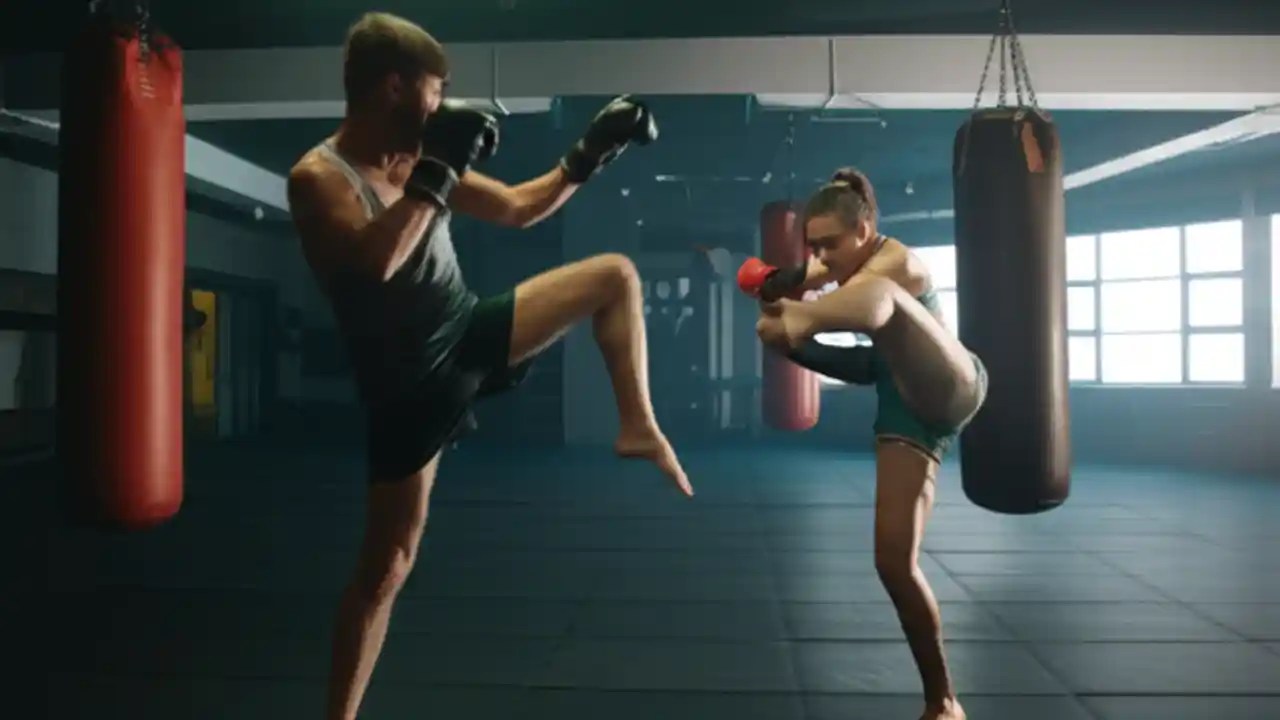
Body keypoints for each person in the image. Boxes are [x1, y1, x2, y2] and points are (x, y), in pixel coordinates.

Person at [285, 12, 694, 720]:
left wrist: (591, 151)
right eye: (434, 94)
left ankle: (637, 424)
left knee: (615, 275)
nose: (441, 108)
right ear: (394, 87)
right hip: (407, 383)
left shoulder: (415, 159)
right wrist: (437, 172)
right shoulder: (318, 178)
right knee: (387, 569)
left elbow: (516, 208)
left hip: (467, 326)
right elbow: (374, 266)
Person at [739, 168, 986, 720]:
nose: (824, 255)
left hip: (951, 384)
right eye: (816, 246)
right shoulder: (833, 266)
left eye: (832, 243)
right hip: (901, 404)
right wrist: (779, 312)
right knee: (893, 563)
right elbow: (863, 356)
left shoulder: (898, 261)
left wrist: (795, 306)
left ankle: (798, 326)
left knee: (881, 296)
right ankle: (942, 702)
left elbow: (865, 299)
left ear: (866, 229)